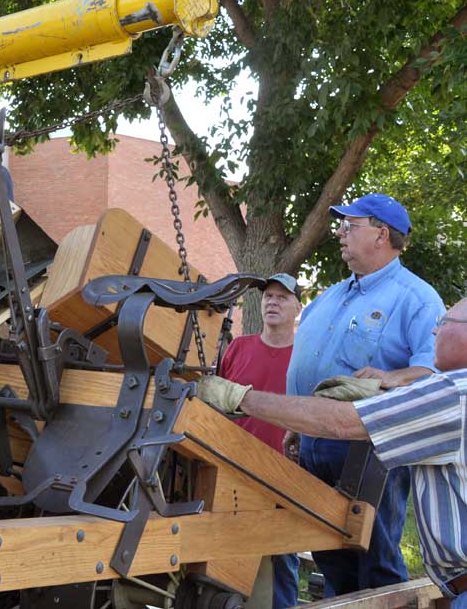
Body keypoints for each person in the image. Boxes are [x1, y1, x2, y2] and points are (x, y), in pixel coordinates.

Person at [198, 297, 467, 608]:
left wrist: (238, 397)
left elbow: (342, 424)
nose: (434, 333)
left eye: (443, 323)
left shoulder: (454, 393)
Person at [283, 193, 445, 597]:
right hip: (312, 442)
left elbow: (436, 371)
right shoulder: (331, 295)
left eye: (350, 225)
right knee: (327, 552)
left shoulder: (417, 298)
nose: (340, 232)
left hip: (370, 448)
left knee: (375, 559)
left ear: (381, 235)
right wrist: (294, 425)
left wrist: (394, 376)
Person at [218, 273, 302, 608]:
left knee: (282, 560)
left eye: (282, 297)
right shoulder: (238, 347)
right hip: (234, 471)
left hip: (285, 475)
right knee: (228, 557)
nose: (272, 302)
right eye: (268, 296)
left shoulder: (304, 357)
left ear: (298, 307)